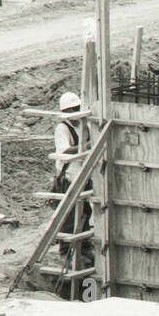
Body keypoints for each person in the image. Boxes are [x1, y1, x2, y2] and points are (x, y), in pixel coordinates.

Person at [52, 92, 92, 266]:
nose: (75, 112)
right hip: (69, 177)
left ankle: (83, 246)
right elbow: (65, 151)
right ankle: (66, 251)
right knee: (69, 215)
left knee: (86, 211)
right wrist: (87, 146)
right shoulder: (63, 128)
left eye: (77, 108)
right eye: (72, 110)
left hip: (84, 174)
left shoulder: (85, 124)